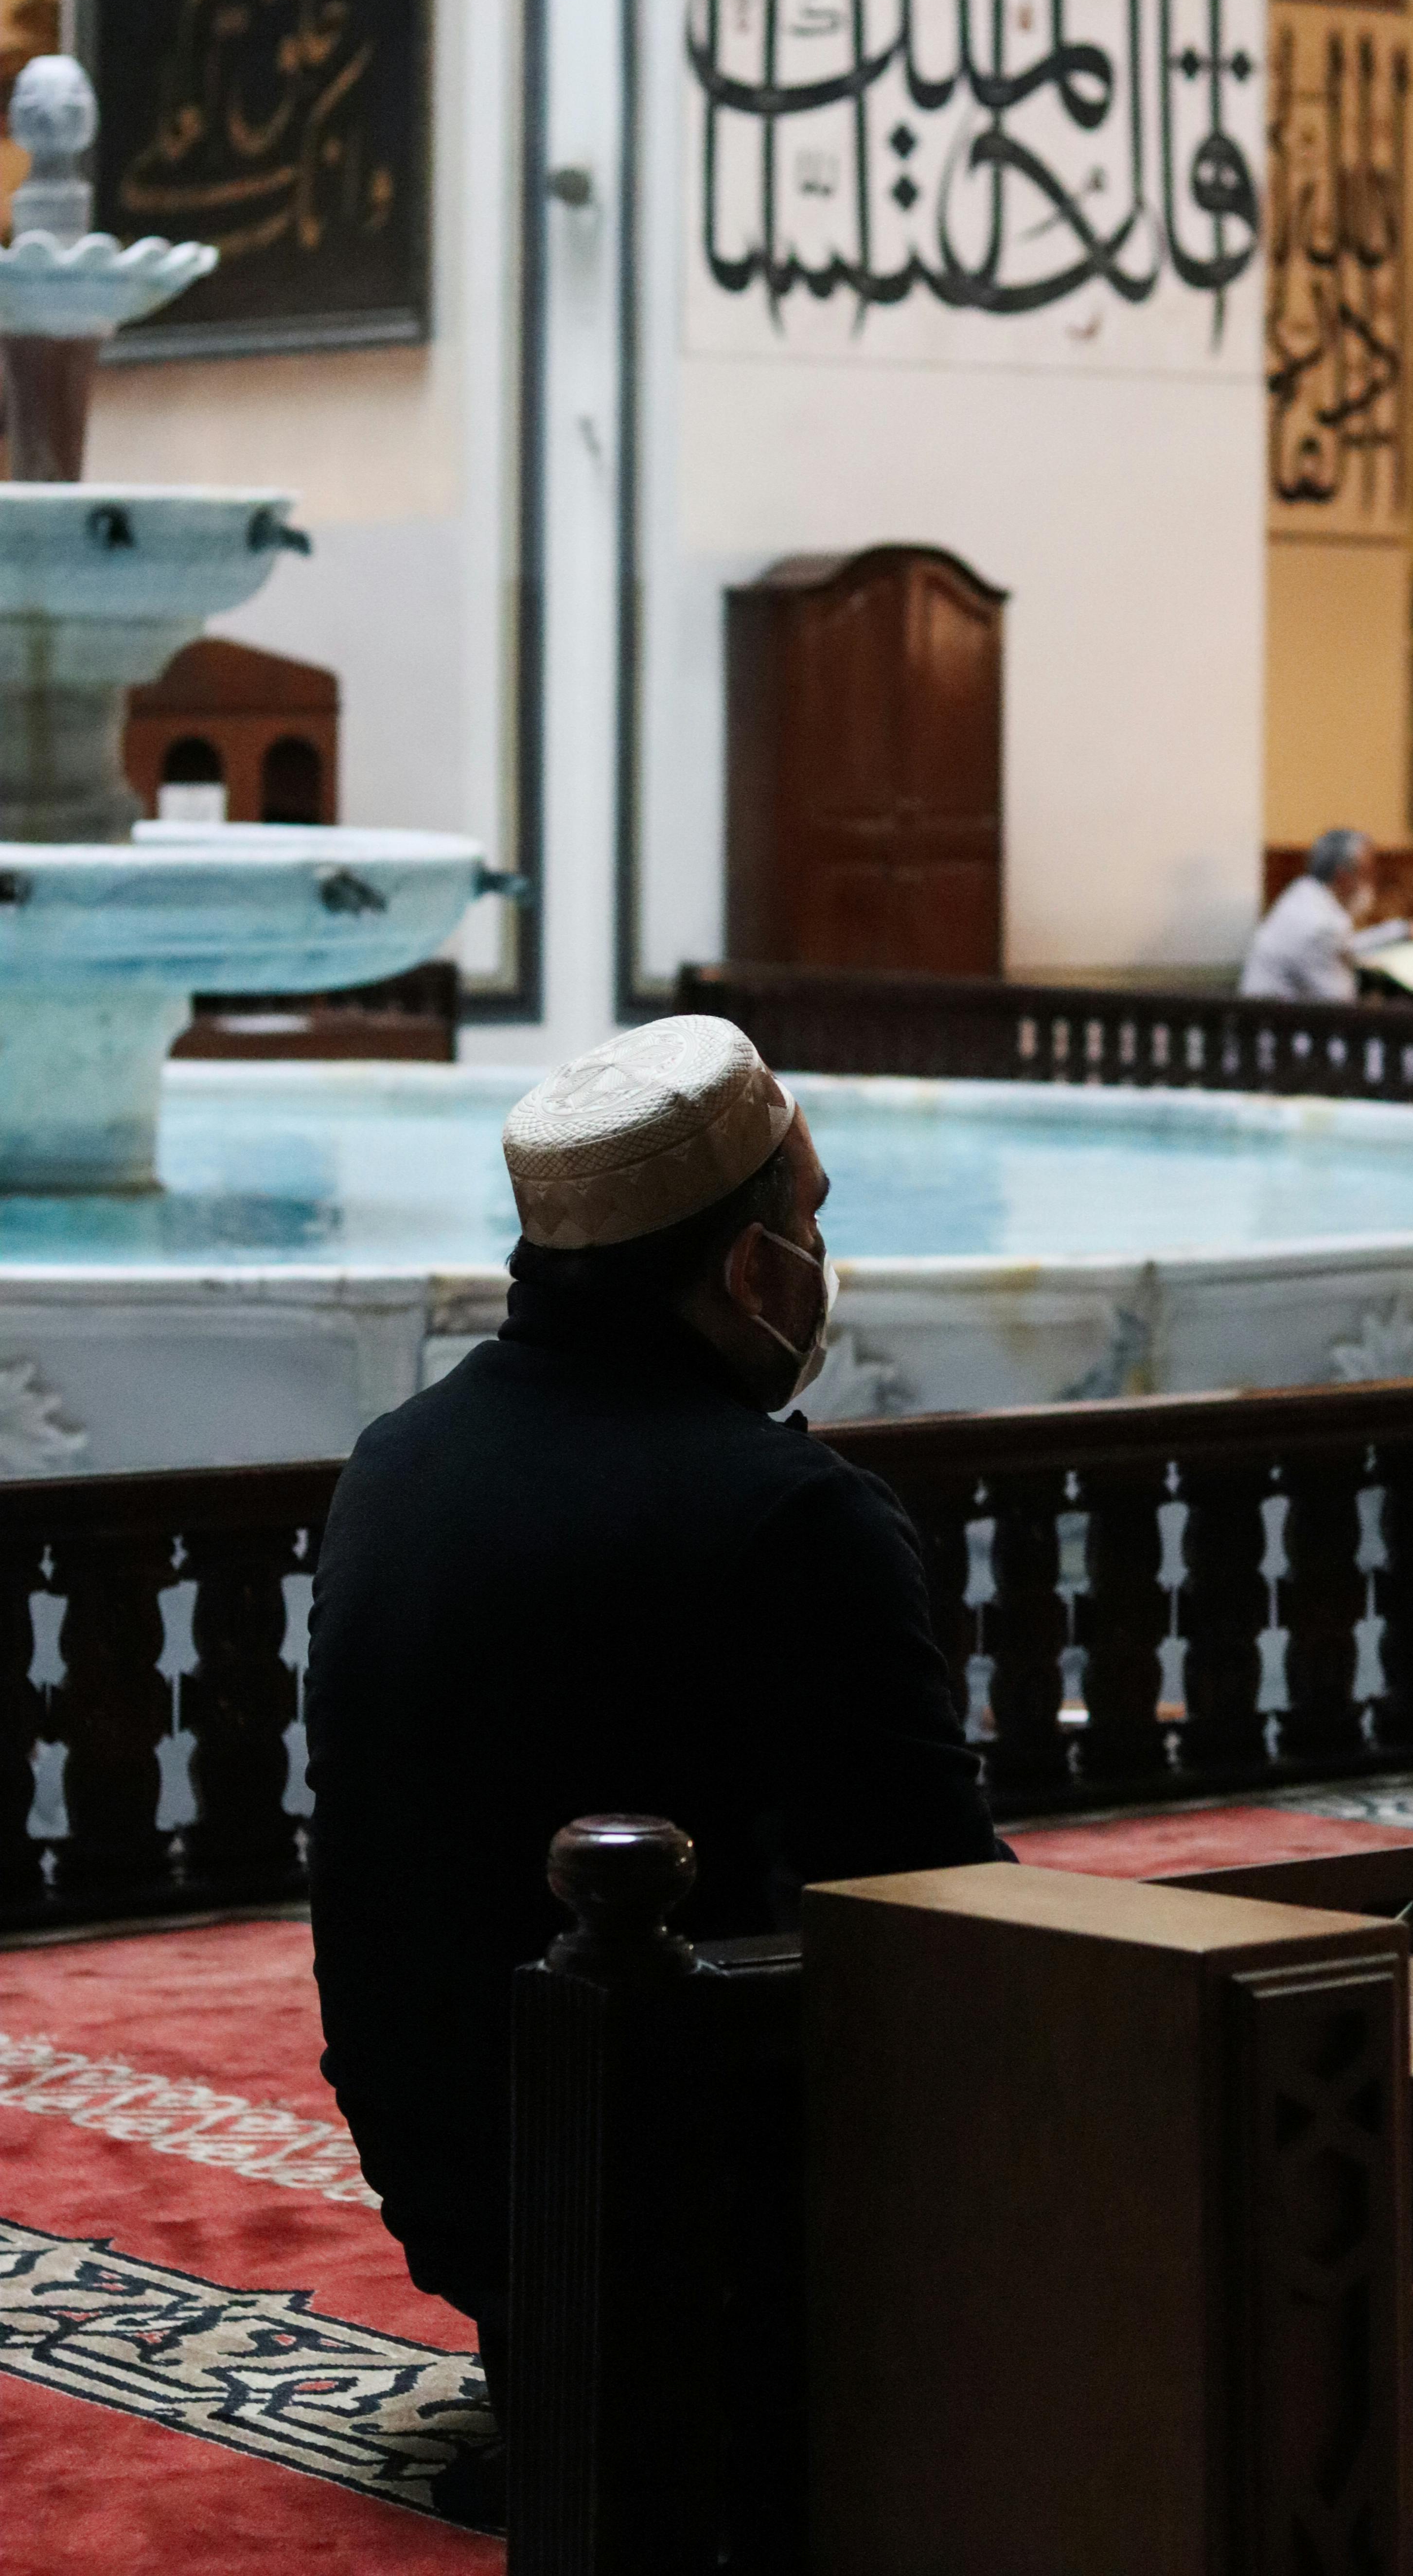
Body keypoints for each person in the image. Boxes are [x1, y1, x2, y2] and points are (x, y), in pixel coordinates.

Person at [305, 1015, 1006, 2515]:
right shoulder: (790, 1515)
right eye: (812, 1221)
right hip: (697, 2204)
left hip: (460, 2186)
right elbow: (944, 1910)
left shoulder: (394, 1460)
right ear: (752, 1269)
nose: (823, 1259)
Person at [1239, 828, 1413, 1003]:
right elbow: (1340, 1003)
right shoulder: (1322, 925)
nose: (1371, 884)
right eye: (1367, 874)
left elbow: (1345, 946)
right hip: (1282, 1019)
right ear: (1343, 877)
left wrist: (1401, 931)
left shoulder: (1303, 892)